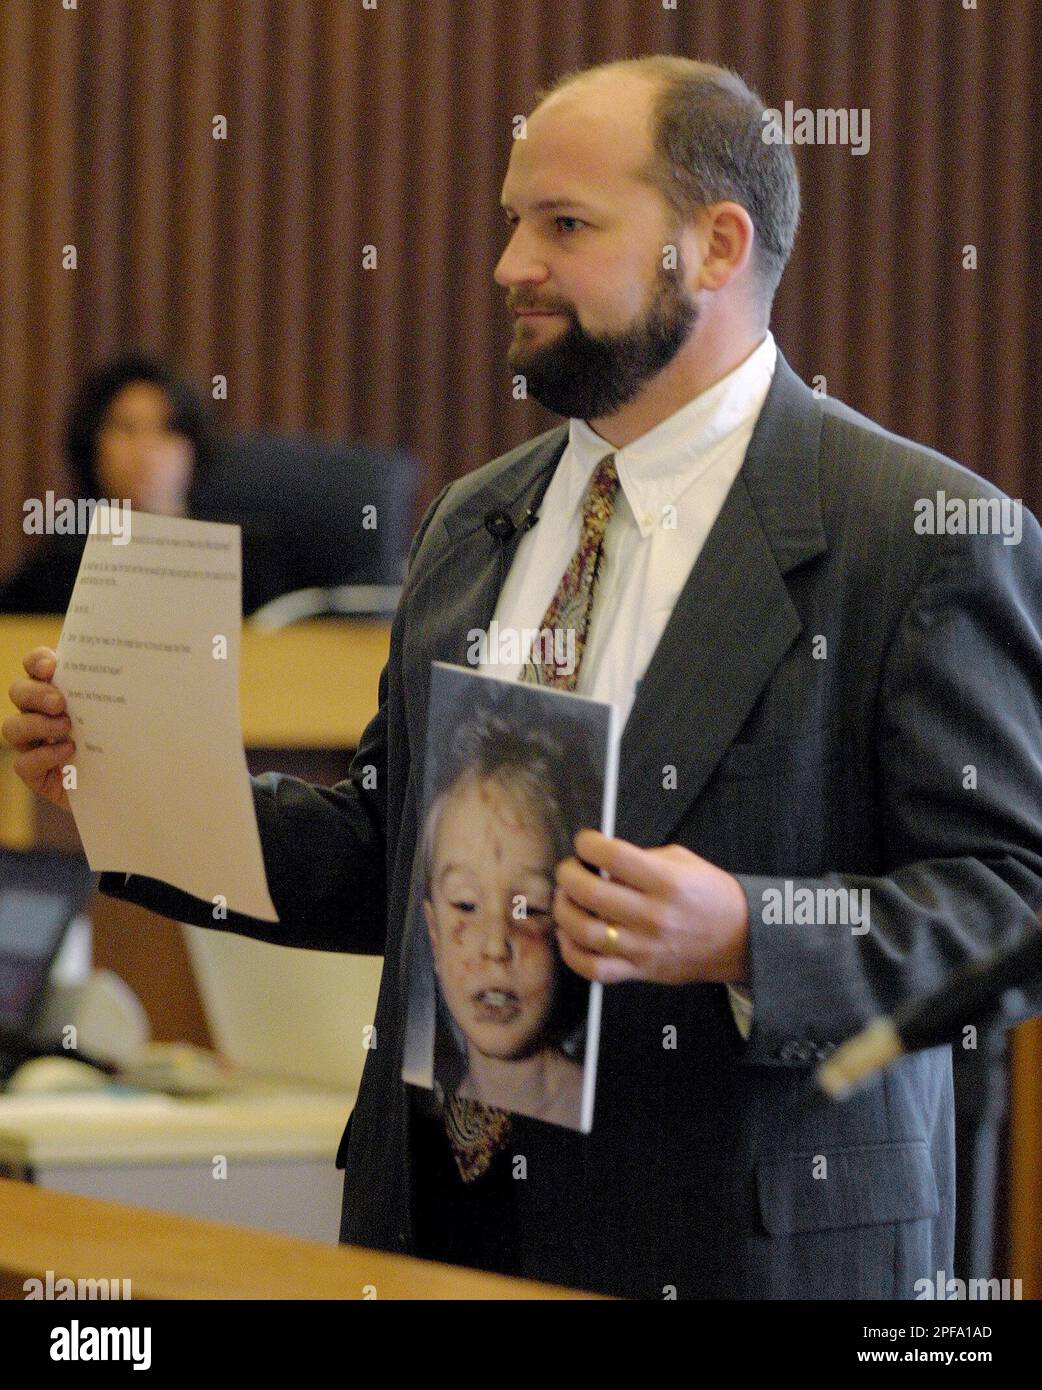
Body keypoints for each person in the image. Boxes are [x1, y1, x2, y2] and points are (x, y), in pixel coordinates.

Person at [5, 56, 1042, 1299]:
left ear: (713, 246)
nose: (510, 266)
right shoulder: (469, 522)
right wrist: (141, 786)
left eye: (564, 224)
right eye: (513, 221)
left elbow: (1010, 904)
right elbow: (393, 851)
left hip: (735, 1251)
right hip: (433, 1235)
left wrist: (747, 937)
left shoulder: (916, 530)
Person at [419, 707, 588, 1130]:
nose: (496, 946)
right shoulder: (426, 1120)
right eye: (465, 905)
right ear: (434, 934)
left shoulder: (609, 1113)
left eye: (528, 908)